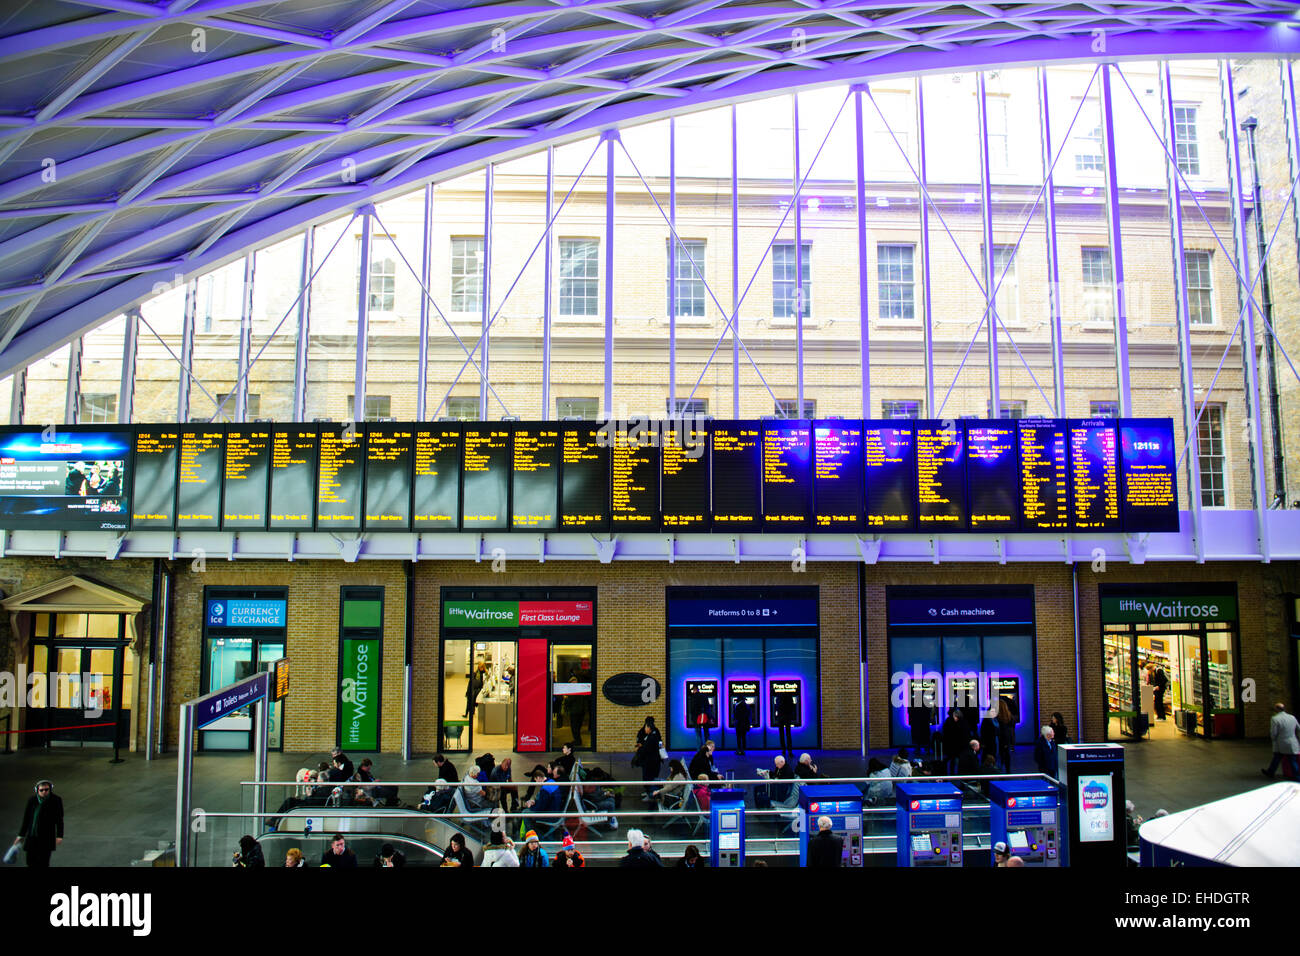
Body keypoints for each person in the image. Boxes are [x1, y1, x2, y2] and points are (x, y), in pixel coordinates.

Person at [13, 779, 64, 867]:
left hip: (46, 837)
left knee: (43, 862)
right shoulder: (32, 800)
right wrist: (21, 835)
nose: (44, 792)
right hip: (32, 837)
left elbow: (59, 819)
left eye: (47, 789)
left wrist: (59, 835)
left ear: (50, 789)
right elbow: (26, 819)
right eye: (42, 790)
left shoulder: (56, 800)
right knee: (30, 862)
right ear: (37, 790)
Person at [1262, 702, 1300, 779]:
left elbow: (1274, 732)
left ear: (1276, 709)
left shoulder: (1275, 719)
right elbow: (1298, 728)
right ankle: (1296, 775)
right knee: (1291, 759)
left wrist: (1273, 739)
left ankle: (1296, 776)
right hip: (1292, 741)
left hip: (1281, 742)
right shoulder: (1292, 717)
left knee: (1278, 758)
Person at [635, 716, 663, 799]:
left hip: (650, 762)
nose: (645, 728)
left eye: (646, 727)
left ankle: (650, 794)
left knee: (649, 777)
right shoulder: (651, 734)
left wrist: (640, 748)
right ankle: (649, 792)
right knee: (649, 777)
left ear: (649, 727)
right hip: (651, 761)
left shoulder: (652, 736)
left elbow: (646, 748)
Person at [942, 709, 970, 775]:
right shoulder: (963, 722)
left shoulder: (948, 721)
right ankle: (959, 773)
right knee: (957, 759)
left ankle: (951, 772)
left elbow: (946, 733)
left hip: (952, 744)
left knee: (952, 759)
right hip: (958, 744)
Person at [996, 700, 1016, 772]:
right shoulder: (1009, 716)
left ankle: (1000, 768)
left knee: (1000, 754)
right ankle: (1008, 770)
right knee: (1007, 754)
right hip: (1007, 738)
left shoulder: (997, 717)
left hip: (1000, 738)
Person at [774, 693, 796, 759]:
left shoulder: (778, 698)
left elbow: (776, 708)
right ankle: (790, 751)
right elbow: (792, 708)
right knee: (788, 734)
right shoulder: (789, 697)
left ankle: (783, 750)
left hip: (780, 718)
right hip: (787, 718)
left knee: (781, 734)